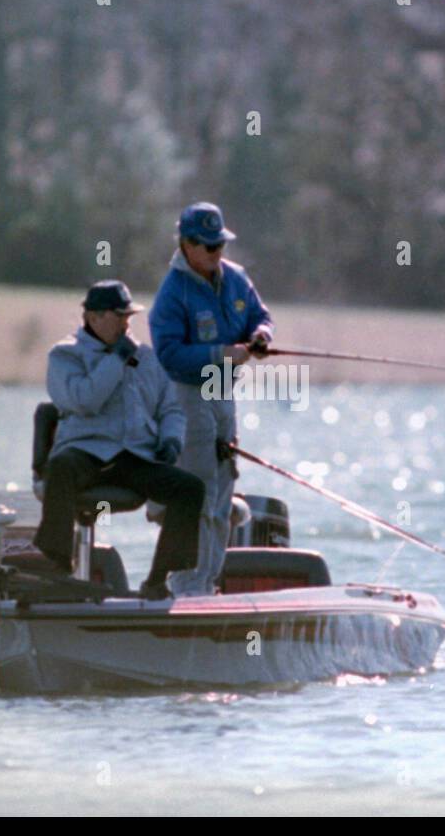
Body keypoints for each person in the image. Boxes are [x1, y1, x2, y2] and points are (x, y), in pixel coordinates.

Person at [31, 280, 205, 600]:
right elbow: (85, 401)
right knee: (60, 467)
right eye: (119, 315)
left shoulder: (147, 358)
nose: (127, 323)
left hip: (132, 457)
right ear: (94, 317)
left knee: (190, 489)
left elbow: (171, 408)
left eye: (129, 316)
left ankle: (157, 579)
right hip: (85, 450)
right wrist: (115, 360)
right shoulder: (64, 355)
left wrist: (170, 440)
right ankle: (58, 567)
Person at [149, 202, 274, 597]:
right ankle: (186, 584)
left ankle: (207, 582)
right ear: (185, 244)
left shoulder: (236, 278)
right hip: (187, 395)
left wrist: (262, 336)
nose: (216, 252)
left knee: (223, 491)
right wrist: (221, 353)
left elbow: (261, 315)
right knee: (198, 492)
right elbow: (169, 356)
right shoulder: (172, 294)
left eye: (220, 244)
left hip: (222, 391)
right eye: (207, 246)